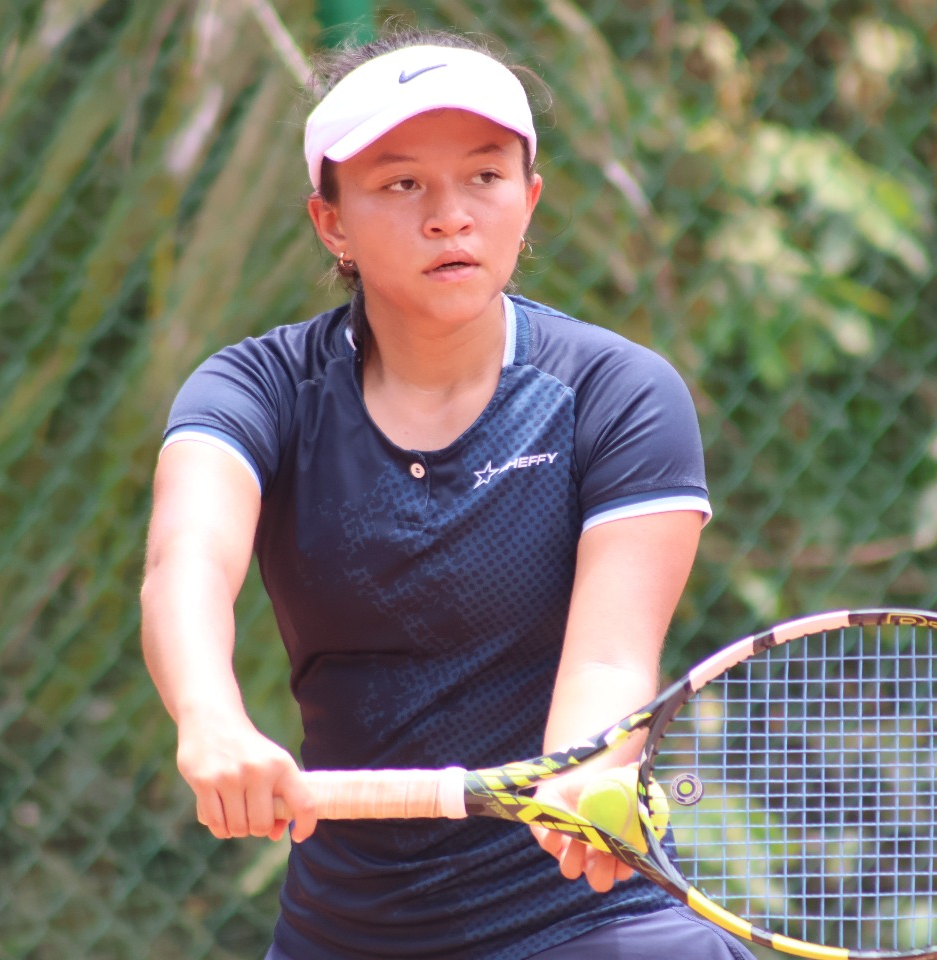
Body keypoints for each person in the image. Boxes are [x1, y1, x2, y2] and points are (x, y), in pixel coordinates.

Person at [141, 25, 751, 960]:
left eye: (484, 176)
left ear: (529, 199)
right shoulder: (254, 391)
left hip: (583, 921)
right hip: (341, 930)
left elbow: (609, 660)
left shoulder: (618, 394)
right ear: (331, 222)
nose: (449, 215)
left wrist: (581, 779)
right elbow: (187, 562)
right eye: (401, 184)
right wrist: (210, 721)